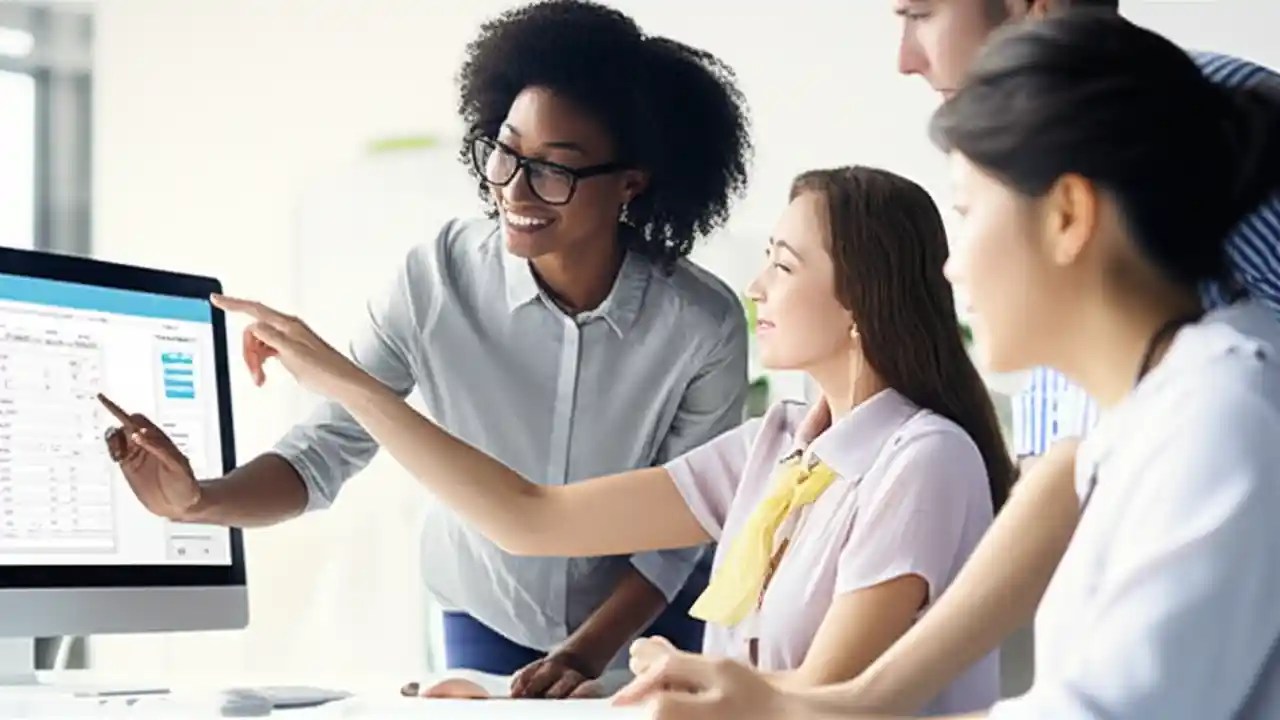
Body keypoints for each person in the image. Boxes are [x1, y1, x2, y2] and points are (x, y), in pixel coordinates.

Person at [131, 164, 1016, 712]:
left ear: (862, 301)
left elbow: (830, 702)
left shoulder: (924, 460)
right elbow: (533, 519)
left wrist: (657, 678)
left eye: (783, 265)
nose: (756, 285)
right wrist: (350, 388)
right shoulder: (773, 448)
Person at [611, 11, 1280, 719]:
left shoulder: (1221, 418)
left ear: (1066, 216)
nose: (950, 269)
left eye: (965, 212)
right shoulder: (1160, 411)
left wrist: (796, 711)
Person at [98, 0, 753, 698]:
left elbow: (681, 528)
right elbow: (324, 454)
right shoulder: (435, 280)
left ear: (633, 181)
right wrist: (201, 501)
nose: (515, 188)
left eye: (555, 169)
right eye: (506, 152)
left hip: (647, 614)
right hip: (484, 610)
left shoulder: (701, 325)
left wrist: (584, 655)